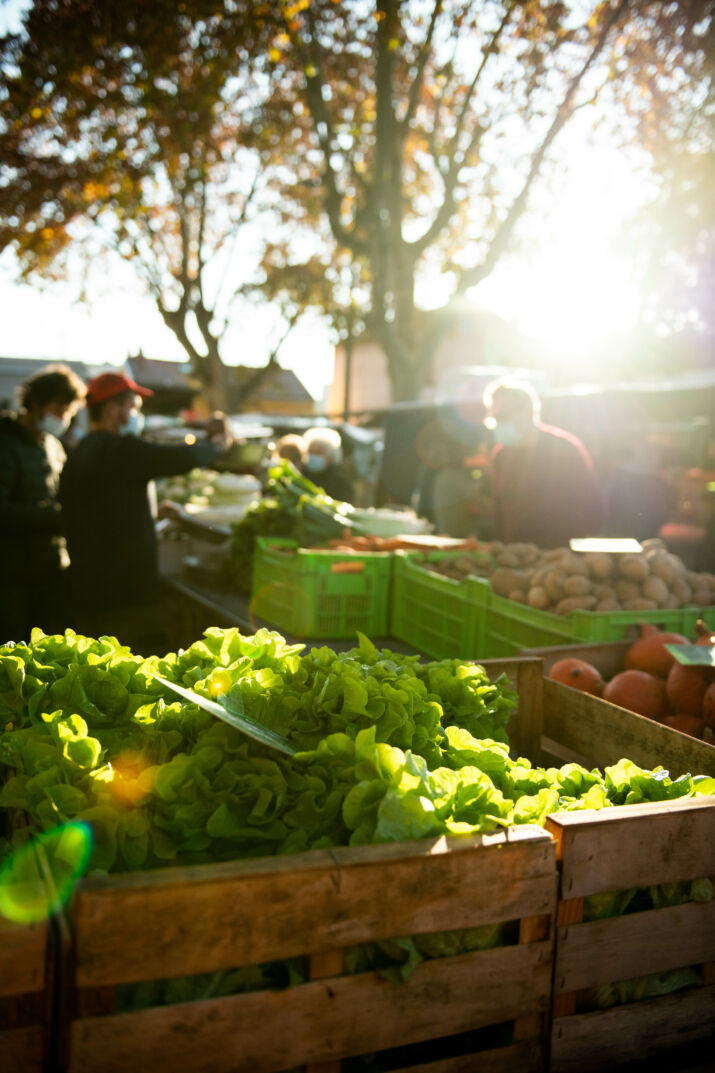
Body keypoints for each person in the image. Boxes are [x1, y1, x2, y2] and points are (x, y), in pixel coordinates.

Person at [59, 371, 232, 654]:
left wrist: (150, 515)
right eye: (133, 408)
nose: (137, 415)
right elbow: (179, 457)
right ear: (113, 410)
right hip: (124, 598)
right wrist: (219, 445)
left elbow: (100, 509)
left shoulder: (78, 454)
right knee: (130, 679)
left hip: (84, 591)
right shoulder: (123, 450)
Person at [0, 363, 86, 644]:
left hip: (50, 569)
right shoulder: (6, 443)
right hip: (12, 576)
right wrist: (56, 517)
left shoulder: (53, 445)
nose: (63, 418)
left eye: (68, 412)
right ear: (35, 404)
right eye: (59, 409)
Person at [483, 378, 605, 548]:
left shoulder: (564, 449)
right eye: (494, 419)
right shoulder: (501, 456)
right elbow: (500, 511)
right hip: (519, 556)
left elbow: (593, 505)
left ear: (527, 411)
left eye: (503, 416)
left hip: (562, 555)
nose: (498, 425)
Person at [303, 427, 355, 503]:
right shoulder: (301, 474)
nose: (313, 455)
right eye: (311, 451)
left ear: (331, 457)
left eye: (318, 452)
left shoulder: (340, 482)